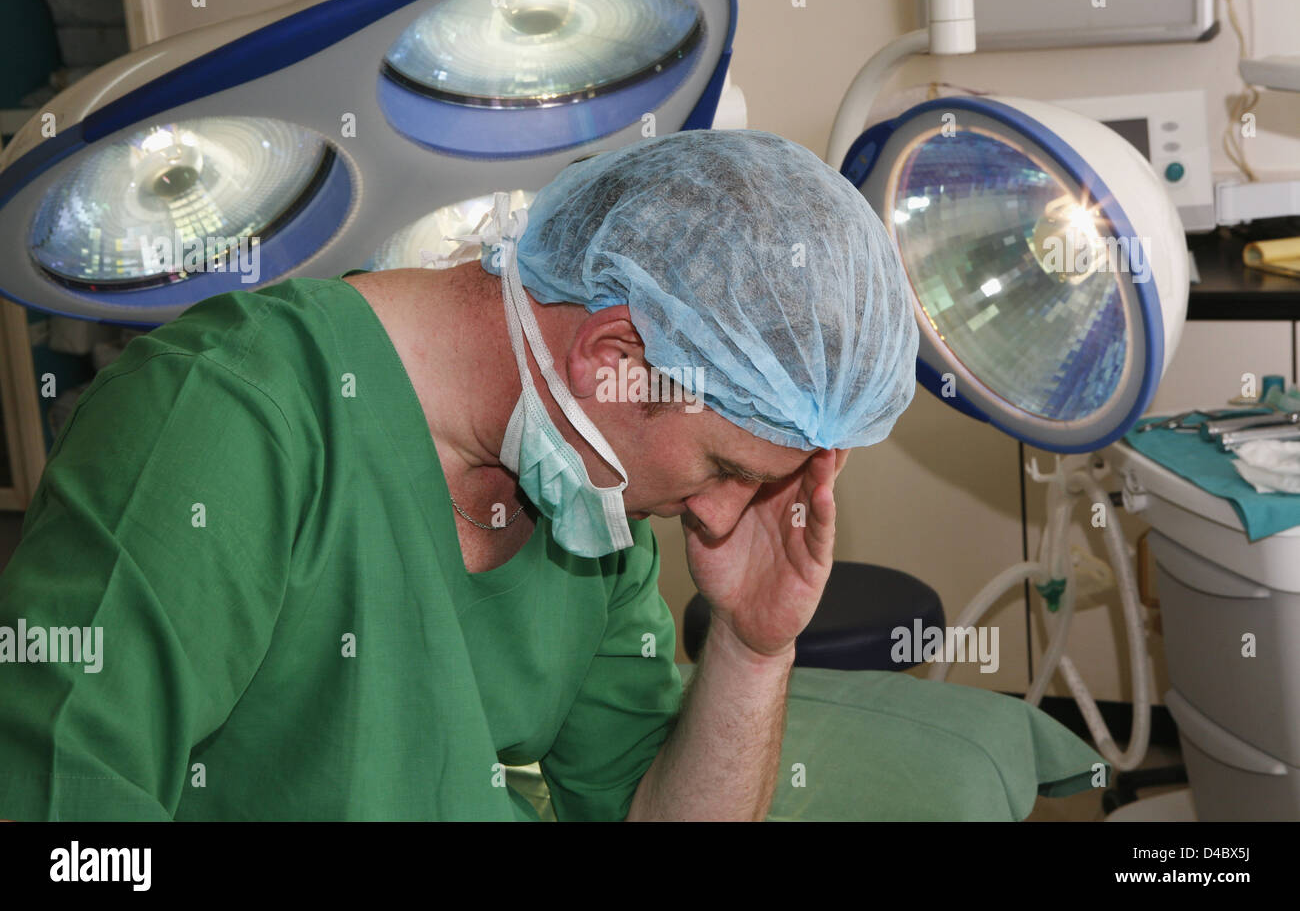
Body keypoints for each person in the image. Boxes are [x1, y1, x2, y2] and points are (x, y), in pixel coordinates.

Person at [0, 128, 918, 821]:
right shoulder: (231, 417)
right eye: (725, 469)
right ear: (613, 355)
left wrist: (754, 648)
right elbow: (65, 807)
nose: (717, 520)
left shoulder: (586, 505)